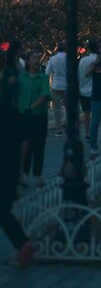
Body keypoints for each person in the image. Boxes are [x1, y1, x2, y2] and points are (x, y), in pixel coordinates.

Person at [0, 98, 35, 268]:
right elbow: (24, 141)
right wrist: (20, 169)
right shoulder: (12, 112)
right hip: (10, 168)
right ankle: (22, 243)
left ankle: (22, 243)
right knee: (3, 210)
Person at [18, 50, 50, 187]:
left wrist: (32, 107)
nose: (37, 60)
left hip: (39, 116)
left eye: (38, 58)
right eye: (34, 58)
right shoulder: (22, 78)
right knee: (26, 145)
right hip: (24, 116)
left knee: (39, 145)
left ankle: (38, 174)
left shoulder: (43, 77)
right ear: (28, 61)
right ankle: (24, 173)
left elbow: (45, 95)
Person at [46, 43, 67, 135]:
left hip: (56, 85)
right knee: (68, 107)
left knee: (56, 108)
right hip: (67, 85)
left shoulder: (53, 59)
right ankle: (67, 123)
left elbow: (47, 72)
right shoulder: (69, 58)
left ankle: (58, 129)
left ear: (57, 49)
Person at [78, 40, 98, 138]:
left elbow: (79, 75)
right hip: (96, 90)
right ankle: (94, 131)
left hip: (84, 90)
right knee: (95, 113)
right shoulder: (98, 60)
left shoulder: (83, 61)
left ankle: (87, 132)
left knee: (86, 113)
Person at [1, 41, 24, 109]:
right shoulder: (8, 68)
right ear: (17, 51)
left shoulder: (21, 64)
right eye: (21, 49)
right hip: (12, 100)